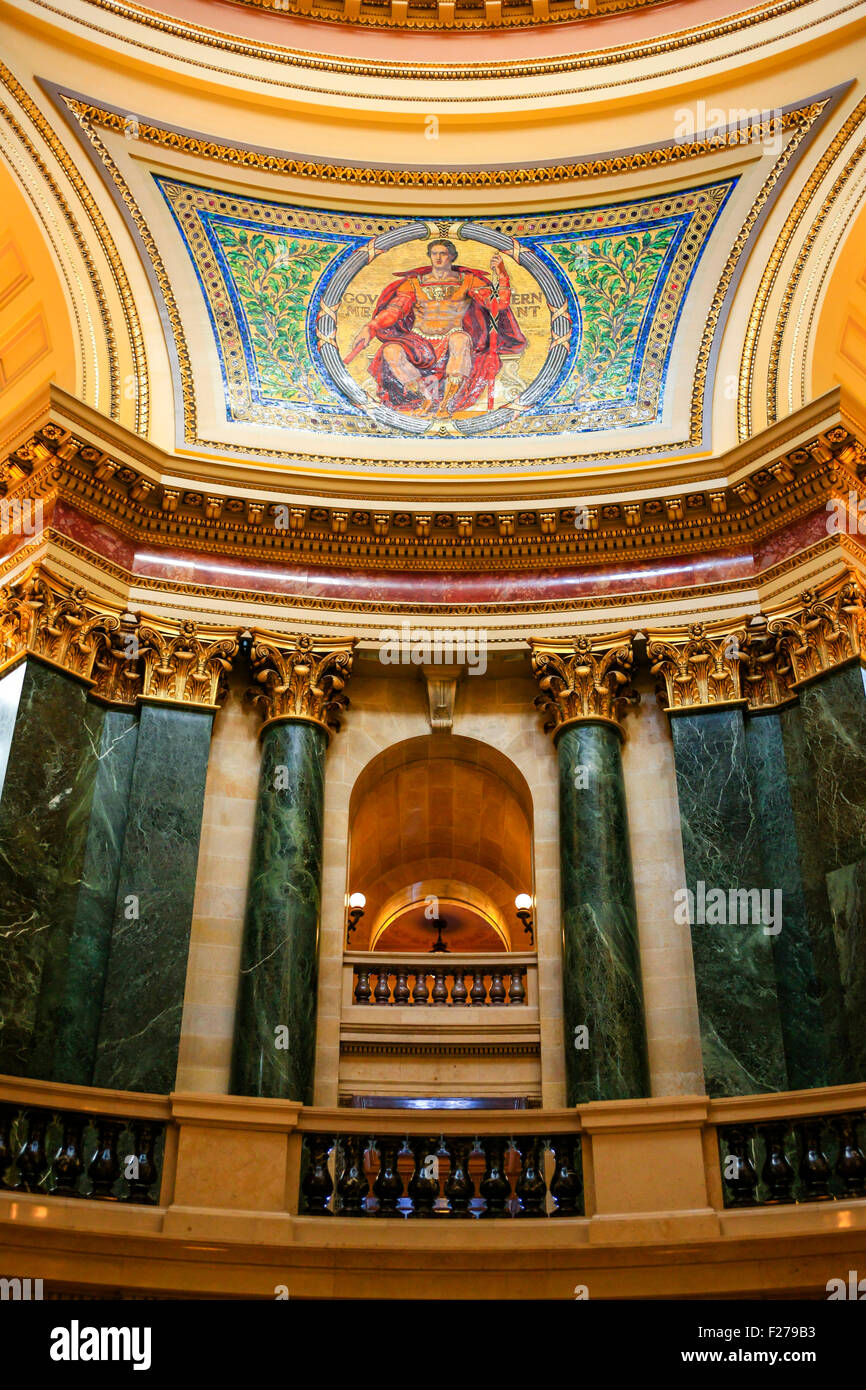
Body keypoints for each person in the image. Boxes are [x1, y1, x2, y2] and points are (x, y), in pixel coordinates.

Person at [350, 239, 526, 416]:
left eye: (443, 253)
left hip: (452, 335)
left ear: (452, 256)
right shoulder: (413, 284)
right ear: (430, 256)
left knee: (461, 339)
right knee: (390, 350)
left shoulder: (468, 281)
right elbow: (394, 311)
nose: (438, 258)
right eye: (434, 253)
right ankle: (426, 398)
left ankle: (445, 405)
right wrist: (371, 327)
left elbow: (498, 304)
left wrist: (502, 274)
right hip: (418, 340)